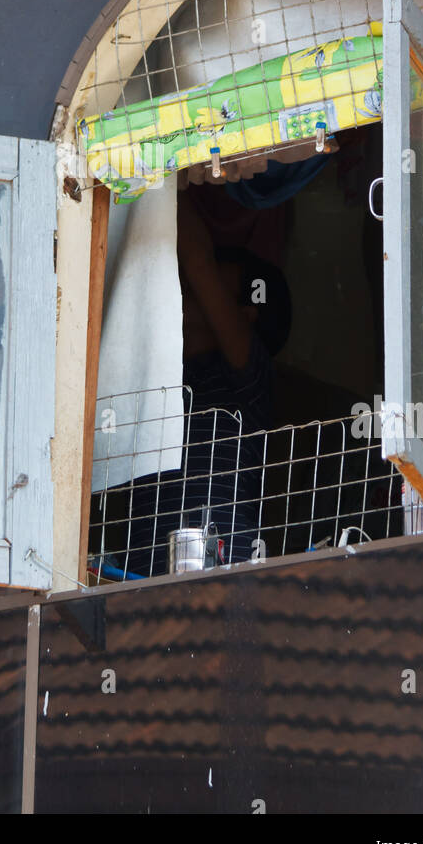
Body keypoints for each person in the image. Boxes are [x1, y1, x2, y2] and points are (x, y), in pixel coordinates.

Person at [115, 187, 292, 576]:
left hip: (220, 570)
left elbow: (198, 263)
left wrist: (166, 180)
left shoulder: (252, 381)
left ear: (242, 314)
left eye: (196, 292)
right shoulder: (158, 368)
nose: (178, 293)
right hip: (136, 571)